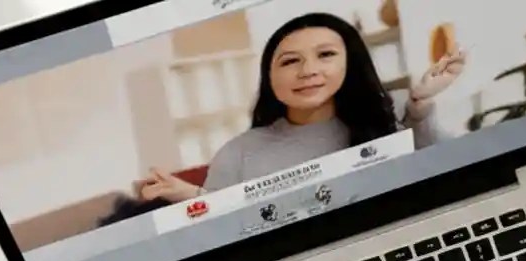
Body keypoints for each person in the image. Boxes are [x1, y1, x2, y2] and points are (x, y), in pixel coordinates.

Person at [140, 12, 467, 203]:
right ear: (269, 76)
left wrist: (420, 107)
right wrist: (189, 196)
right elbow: (224, 219)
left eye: (325, 55)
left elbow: (451, 173)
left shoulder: (396, 110)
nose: (308, 70)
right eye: (290, 61)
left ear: (350, 61)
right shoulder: (238, 152)